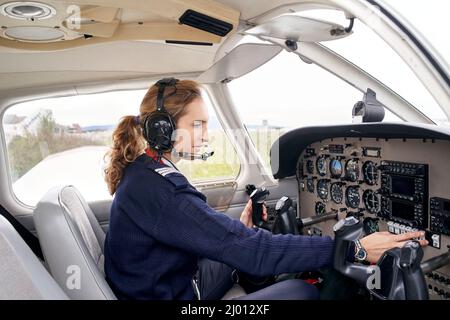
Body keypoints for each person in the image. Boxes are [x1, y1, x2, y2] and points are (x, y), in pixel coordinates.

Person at [103, 78, 428, 300]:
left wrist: (238, 231)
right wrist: (355, 250)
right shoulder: (161, 191)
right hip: (183, 297)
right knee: (302, 293)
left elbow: (207, 233)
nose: (204, 135)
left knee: (244, 254)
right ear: (163, 129)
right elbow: (252, 251)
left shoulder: (147, 173)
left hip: (170, 283)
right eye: (197, 125)